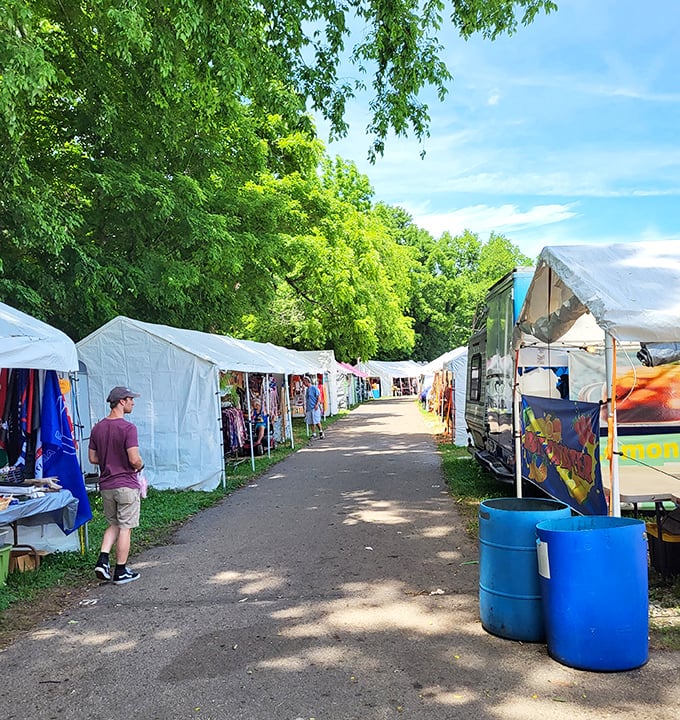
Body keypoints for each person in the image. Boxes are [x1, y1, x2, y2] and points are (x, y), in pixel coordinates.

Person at [89, 385, 144, 585]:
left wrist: (109, 458)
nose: (133, 403)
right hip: (126, 484)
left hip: (106, 485)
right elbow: (134, 459)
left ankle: (103, 559)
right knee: (125, 527)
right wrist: (140, 465)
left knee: (113, 524)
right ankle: (120, 571)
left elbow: (93, 458)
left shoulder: (98, 428)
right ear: (121, 401)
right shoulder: (128, 428)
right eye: (131, 399)